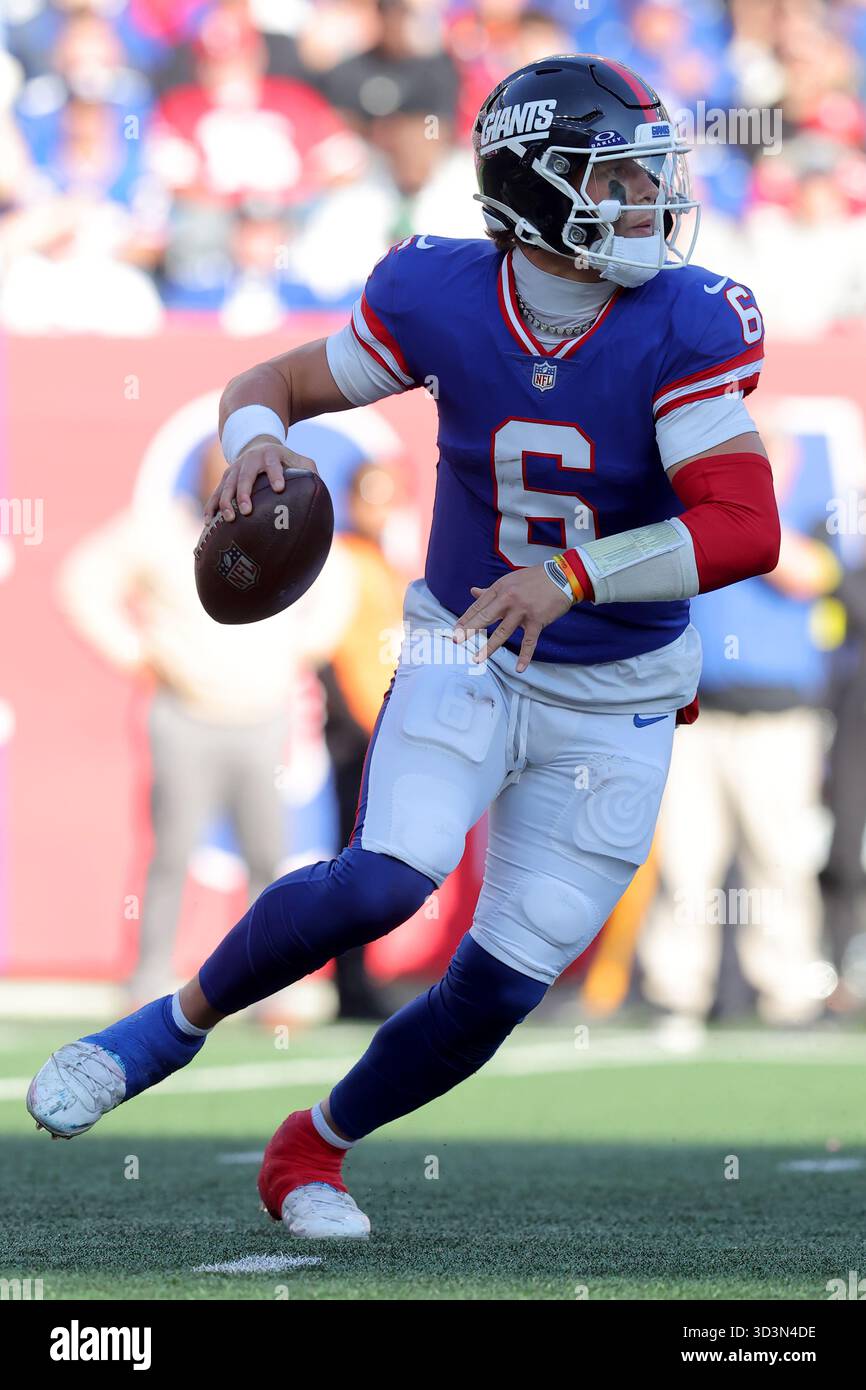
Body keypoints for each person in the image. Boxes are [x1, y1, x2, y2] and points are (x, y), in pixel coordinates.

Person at [28, 54, 780, 1241]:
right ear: (534, 193)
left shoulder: (688, 319)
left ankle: (308, 1150)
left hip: (621, 688)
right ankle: (158, 1031)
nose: (648, 204)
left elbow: (744, 526)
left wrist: (573, 575)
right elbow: (266, 378)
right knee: (386, 873)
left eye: (650, 178)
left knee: (497, 985)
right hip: (466, 643)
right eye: (616, 180)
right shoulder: (437, 293)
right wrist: (256, 439)